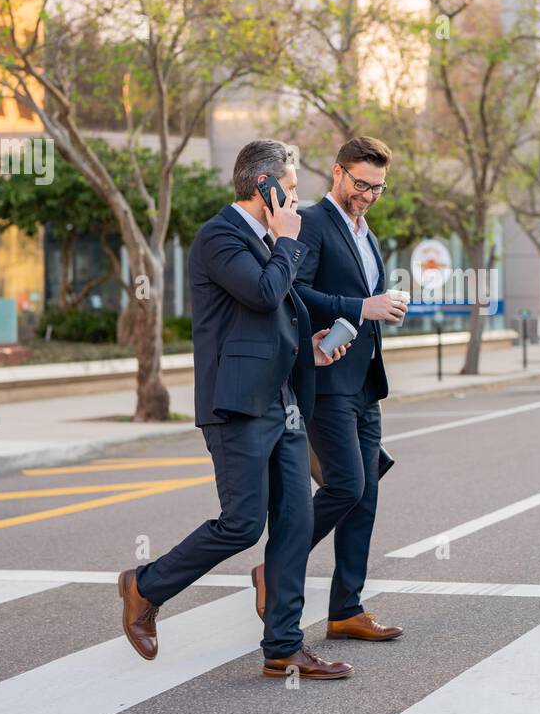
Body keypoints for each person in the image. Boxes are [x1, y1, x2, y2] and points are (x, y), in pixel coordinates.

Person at [118, 139, 354, 680]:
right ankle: (143, 585)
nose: (296, 201)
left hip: (284, 402)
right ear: (264, 186)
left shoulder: (268, 241)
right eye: (290, 189)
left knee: (294, 523)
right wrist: (289, 243)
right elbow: (265, 293)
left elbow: (274, 317)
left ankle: (284, 647)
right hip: (237, 405)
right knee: (242, 523)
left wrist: (313, 345)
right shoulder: (220, 237)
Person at [250, 136, 406, 642]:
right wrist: (365, 308)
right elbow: (295, 292)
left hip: (364, 381)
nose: (367, 195)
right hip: (325, 377)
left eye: (377, 188)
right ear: (338, 173)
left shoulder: (368, 233)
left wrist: (379, 307)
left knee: (367, 494)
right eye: (361, 184)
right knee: (345, 485)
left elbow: (360, 295)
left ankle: (346, 609)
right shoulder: (313, 223)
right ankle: (274, 570)